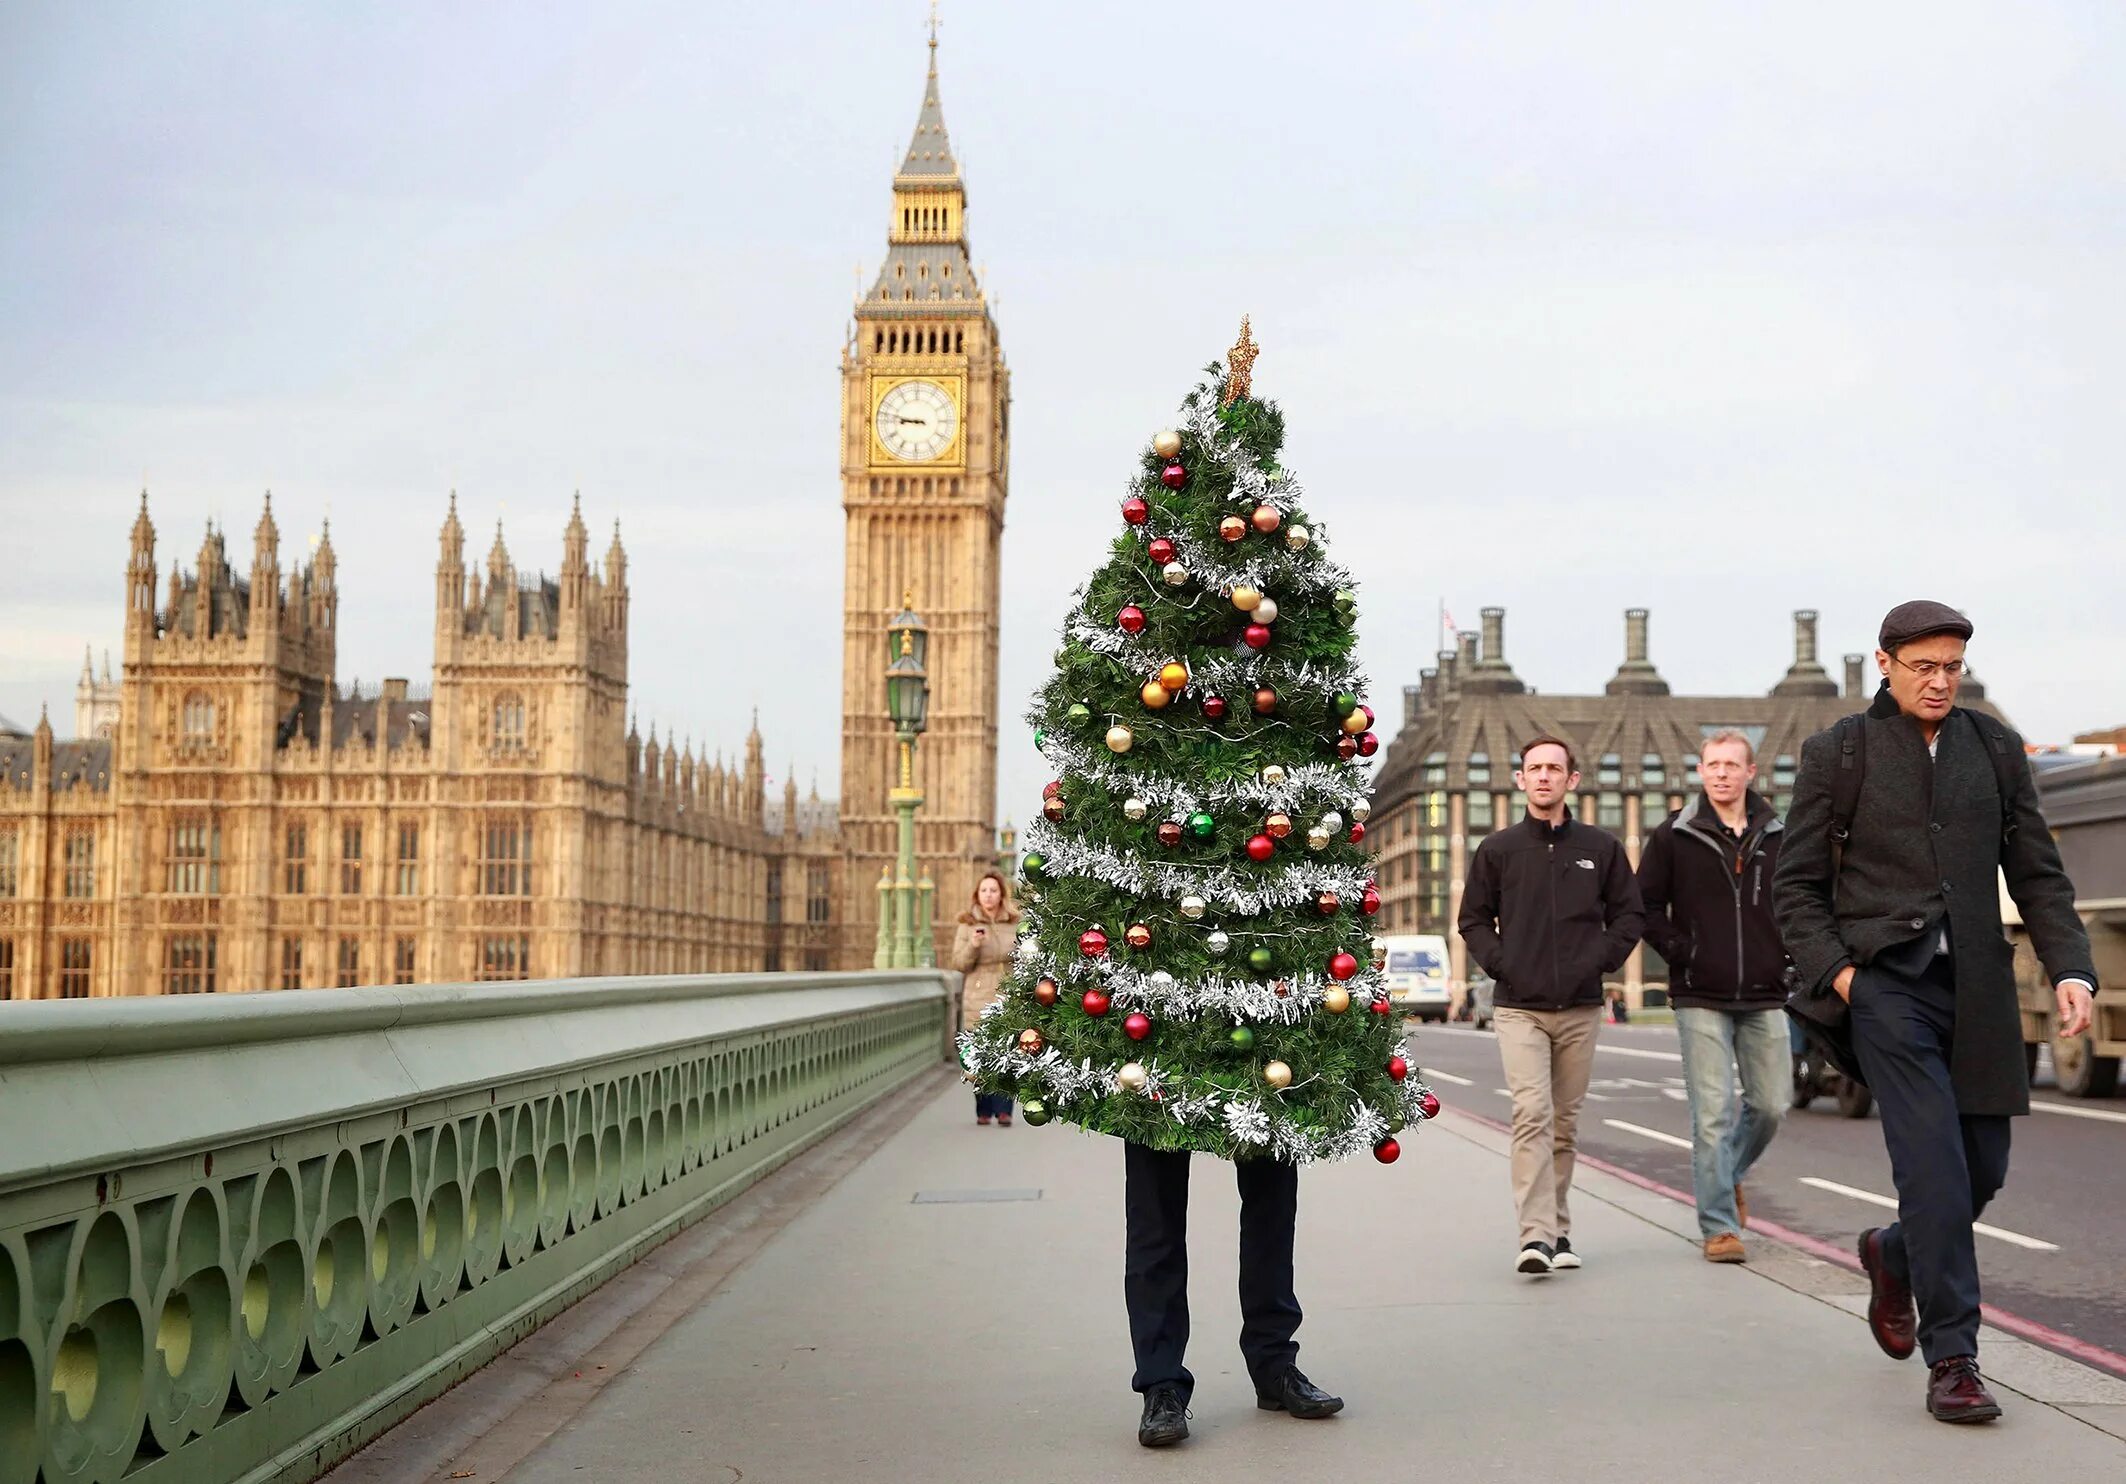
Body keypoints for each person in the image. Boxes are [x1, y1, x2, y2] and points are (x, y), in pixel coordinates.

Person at [1774, 600, 2096, 1425]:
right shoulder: (1838, 752)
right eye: (1925, 665)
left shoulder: (1992, 748)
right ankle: (1954, 1358)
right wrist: (1844, 978)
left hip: (1982, 987)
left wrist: (2072, 967)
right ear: (1885, 662)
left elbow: (2038, 871)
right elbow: (1797, 887)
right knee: (1934, 1170)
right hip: (1887, 990)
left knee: (1981, 1169)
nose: (1941, 680)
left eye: (1952, 665)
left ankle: (1892, 1252)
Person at [1459, 734, 1645, 1276]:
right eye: (1534, 768)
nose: (1544, 776)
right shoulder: (1497, 849)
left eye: (1554, 768)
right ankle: (1535, 1236)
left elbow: (1630, 916)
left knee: (1564, 1124)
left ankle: (1558, 1229)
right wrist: (1505, 964)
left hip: (1582, 1007)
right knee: (1532, 1114)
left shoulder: (1601, 848)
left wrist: (1599, 961)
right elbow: (1473, 920)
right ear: (1520, 780)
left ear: (1572, 780)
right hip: (1519, 1007)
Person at [1637, 729, 1791, 1263]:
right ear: (1700, 772)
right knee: (1713, 1114)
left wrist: (1789, 957)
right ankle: (1720, 1227)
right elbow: (1645, 908)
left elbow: (1800, 903)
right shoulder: (1673, 835)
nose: (1722, 773)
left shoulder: (1780, 834)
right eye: (1712, 764)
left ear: (1752, 773)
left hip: (1767, 991)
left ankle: (1727, 1177)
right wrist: (1685, 951)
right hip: (1699, 991)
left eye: (1732, 764)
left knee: (1772, 1104)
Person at [951, 872, 1020, 1126]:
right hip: (978, 996)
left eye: (993, 890)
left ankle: (1004, 1110)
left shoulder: (1015, 923)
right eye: (984, 891)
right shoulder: (967, 925)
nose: (989, 895)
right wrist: (973, 945)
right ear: (977, 896)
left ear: (1001, 894)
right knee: (979, 1056)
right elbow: (958, 963)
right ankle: (983, 1108)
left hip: (1006, 995)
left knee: (1006, 1053)